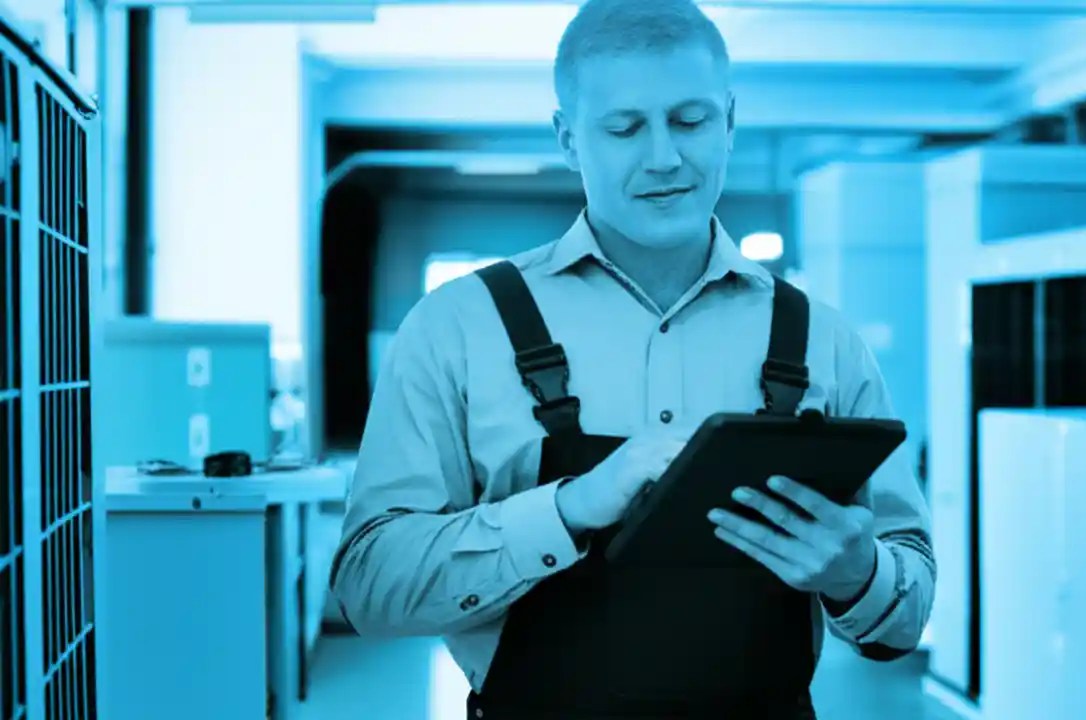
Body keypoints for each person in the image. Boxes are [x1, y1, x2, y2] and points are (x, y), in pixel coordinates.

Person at [329, 0, 935, 717]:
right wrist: (569, 507)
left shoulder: (825, 341)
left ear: (730, 123)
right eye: (624, 128)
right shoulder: (457, 327)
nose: (663, 157)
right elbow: (368, 587)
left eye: (691, 121)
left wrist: (857, 572)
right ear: (567, 138)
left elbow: (909, 600)